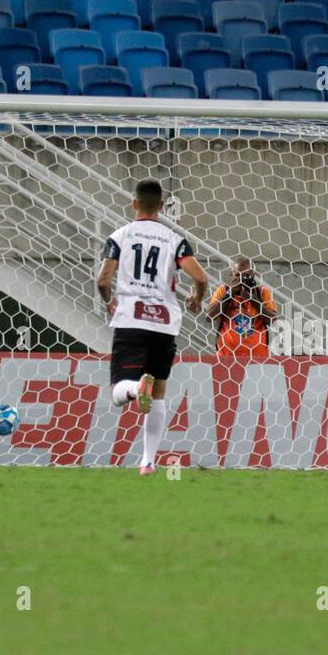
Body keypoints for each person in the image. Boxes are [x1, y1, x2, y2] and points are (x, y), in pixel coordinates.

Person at [95, 180, 209, 475]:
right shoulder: (174, 239)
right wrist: (196, 299)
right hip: (164, 322)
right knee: (159, 391)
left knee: (119, 390)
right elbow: (200, 277)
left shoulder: (120, 236)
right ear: (161, 206)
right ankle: (148, 462)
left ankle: (135, 386)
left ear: (134, 203)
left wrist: (108, 301)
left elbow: (103, 280)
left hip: (131, 318)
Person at [206, 257, 277, 358]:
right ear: (231, 274)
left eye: (246, 276)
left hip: (257, 357)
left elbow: (273, 321)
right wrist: (229, 295)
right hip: (226, 357)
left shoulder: (262, 292)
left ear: (253, 275)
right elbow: (209, 316)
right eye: (238, 275)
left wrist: (253, 299)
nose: (241, 280)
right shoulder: (223, 290)